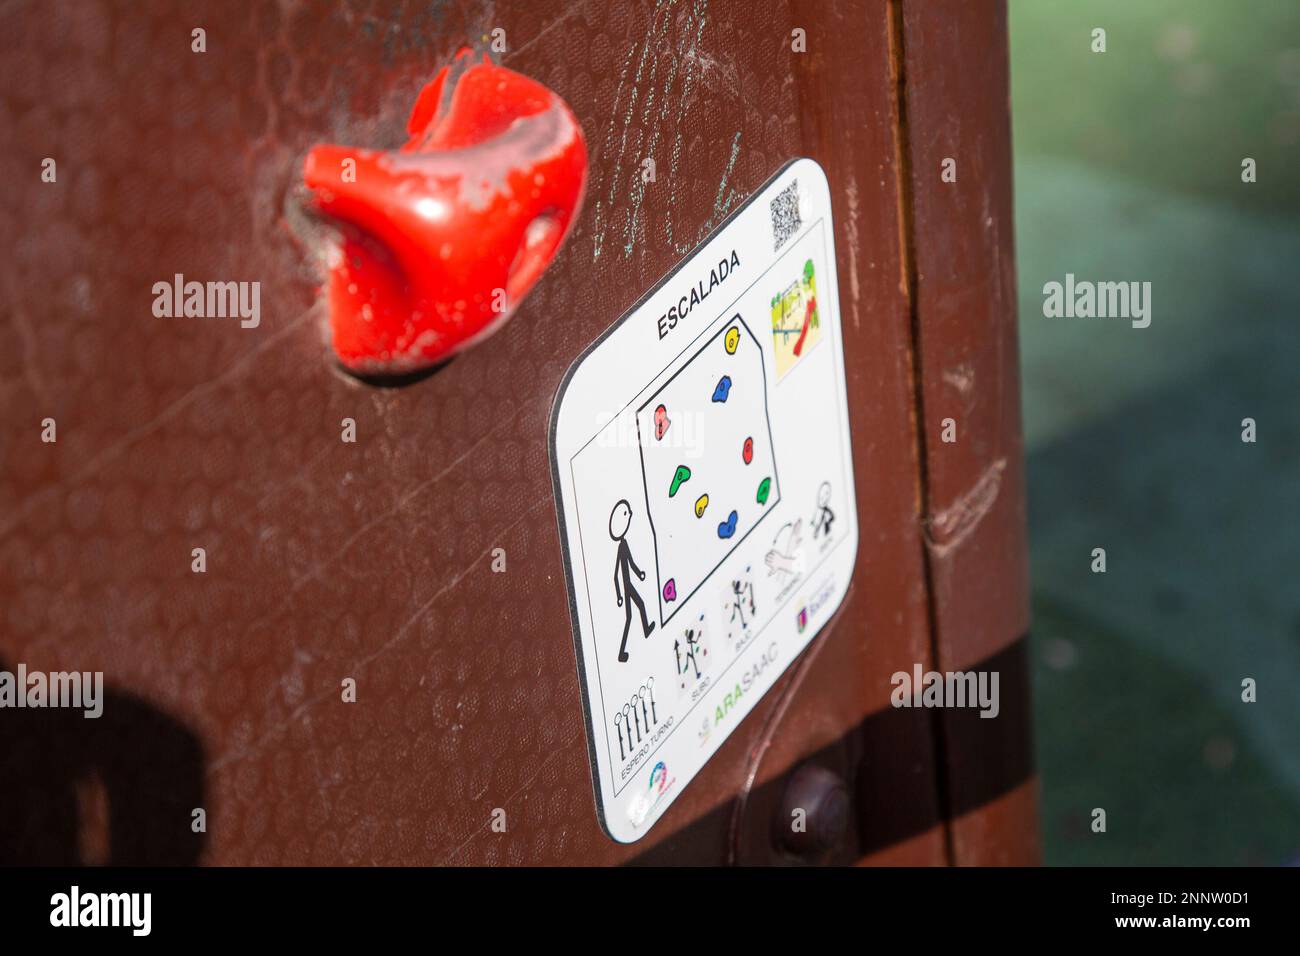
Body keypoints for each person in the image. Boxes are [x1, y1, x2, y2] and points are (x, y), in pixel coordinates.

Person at [609, 499, 654, 663]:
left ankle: (647, 629)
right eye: (626, 513)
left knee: (639, 608)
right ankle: (622, 652)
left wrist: (639, 573)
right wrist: (619, 595)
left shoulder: (624, 544)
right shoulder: (621, 547)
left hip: (629, 585)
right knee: (629, 617)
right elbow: (615, 574)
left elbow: (631, 563)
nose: (630, 515)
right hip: (627, 587)